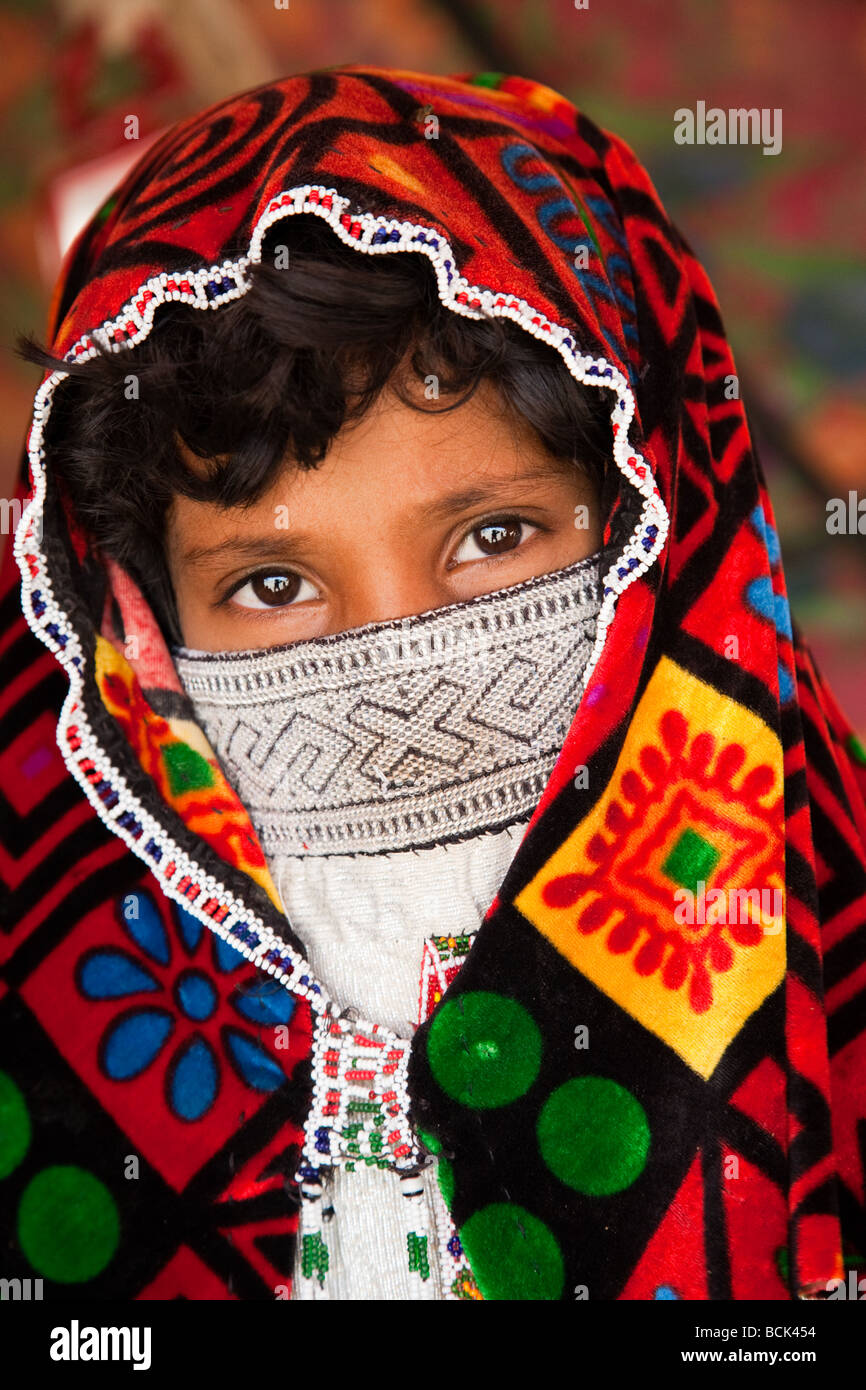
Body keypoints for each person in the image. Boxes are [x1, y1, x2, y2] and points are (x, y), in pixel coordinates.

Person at [4, 64, 865, 1301]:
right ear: (139, 642)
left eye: (494, 540)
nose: (395, 690)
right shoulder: (66, 1061)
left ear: (653, 538)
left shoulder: (822, 998)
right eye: (270, 587)